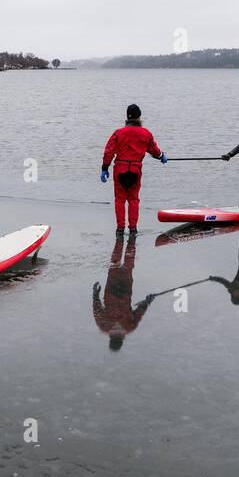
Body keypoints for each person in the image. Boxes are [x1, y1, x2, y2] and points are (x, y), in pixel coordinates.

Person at [102, 103, 166, 235]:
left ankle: (120, 228)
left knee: (120, 199)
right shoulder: (146, 133)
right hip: (135, 169)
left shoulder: (118, 133)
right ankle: (133, 228)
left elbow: (108, 152)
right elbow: (153, 150)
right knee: (133, 199)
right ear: (139, 117)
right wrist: (161, 156)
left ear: (127, 117)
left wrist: (105, 168)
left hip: (120, 168)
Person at [92, 234, 155, 350]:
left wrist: (147, 302)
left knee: (128, 264)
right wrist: (95, 296)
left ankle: (131, 241)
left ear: (121, 341)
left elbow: (139, 313)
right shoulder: (104, 327)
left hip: (125, 290)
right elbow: (97, 310)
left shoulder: (128, 328)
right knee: (115, 262)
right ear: (110, 339)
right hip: (111, 289)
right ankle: (120, 240)